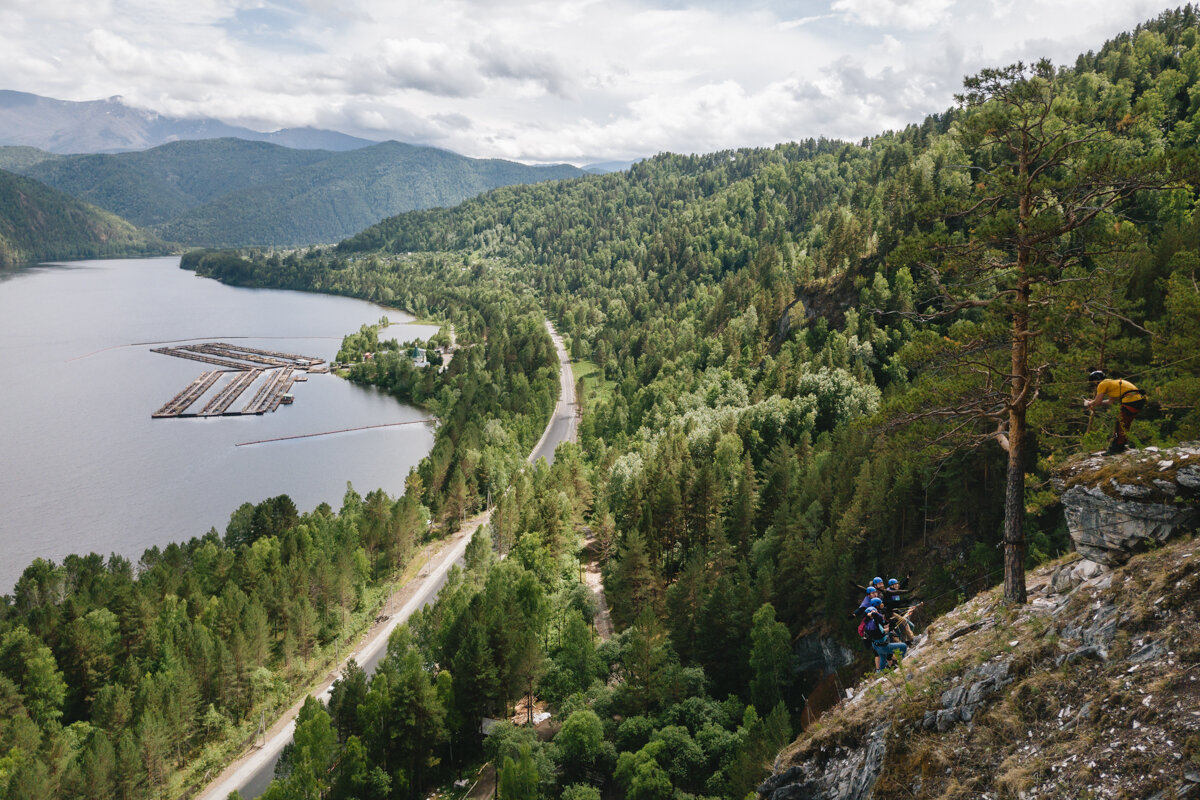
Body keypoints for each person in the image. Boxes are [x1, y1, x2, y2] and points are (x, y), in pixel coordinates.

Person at [1085, 370, 1146, 455]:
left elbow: (1097, 402)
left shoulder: (1102, 384)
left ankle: (1115, 449)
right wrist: (1093, 402)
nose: (1094, 385)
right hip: (1139, 400)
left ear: (1096, 381)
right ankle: (1121, 446)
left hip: (1130, 401)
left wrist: (1089, 403)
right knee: (1124, 425)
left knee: (1119, 426)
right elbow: (1109, 402)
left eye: (1094, 383)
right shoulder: (1112, 384)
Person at [863, 598, 907, 671]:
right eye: (875, 612)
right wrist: (873, 613)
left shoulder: (867, 624)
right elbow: (879, 618)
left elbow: (881, 631)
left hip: (877, 647)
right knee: (904, 646)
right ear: (871, 614)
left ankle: (882, 672)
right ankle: (902, 662)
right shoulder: (875, 622)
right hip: (884, 646)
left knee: (883, 657)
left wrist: (890, 628)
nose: (877, 612)